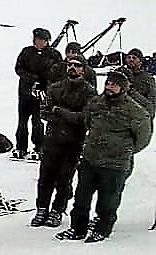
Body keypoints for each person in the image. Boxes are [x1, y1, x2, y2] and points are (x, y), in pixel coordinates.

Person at [57, 69, 151, 243]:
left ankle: (103, 229)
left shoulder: (135, 111)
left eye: (114, 85)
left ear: (123, 88)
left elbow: (143, 138)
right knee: (81, 198)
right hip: (90, 159)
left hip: (115, 164)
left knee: (108, 201)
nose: (109, 87)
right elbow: (87, 121)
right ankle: (77, 228)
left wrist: (124, 151)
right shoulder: (96, 103)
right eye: (108, 83)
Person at [32, 55, 93, 228]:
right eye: (70, 65)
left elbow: (84, 118)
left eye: (77, 65)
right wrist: (64, 114)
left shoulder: (89, 92)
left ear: (83, 69)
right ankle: (41, 208)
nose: (72, 68)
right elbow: (44, 112)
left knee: (64, 179)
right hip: (52, 140)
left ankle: (57, 210)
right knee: (45, 178)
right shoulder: (55, 88)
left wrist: (59, 111)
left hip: (73, 143)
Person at [13, 28, 62, 160]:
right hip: (25, 92)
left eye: (42, 40)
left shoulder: (53, 54)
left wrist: (44, 82)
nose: (39, 42)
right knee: (22, 121)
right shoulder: (26, 52)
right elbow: (19, 68)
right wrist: (31, 78)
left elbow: (57, 73)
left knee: (38, 121)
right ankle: (20, 147)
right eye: (37, 40)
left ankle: (38, 147)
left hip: (42, 94)